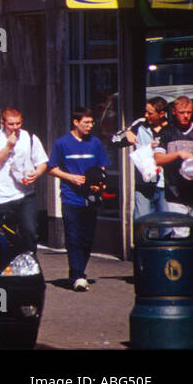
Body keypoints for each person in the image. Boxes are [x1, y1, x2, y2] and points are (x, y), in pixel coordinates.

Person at [48, 108, 110, 290]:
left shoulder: (95, 143)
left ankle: (77, 271)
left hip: (90, 199)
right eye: (86, 122)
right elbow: (51, 168)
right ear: (75, 122)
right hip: (70, 198)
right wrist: (71, 177)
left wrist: (99, 184)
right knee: (73, 237)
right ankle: (78, 275)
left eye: (92, 123)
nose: (90, 126)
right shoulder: (62, 143)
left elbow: (102, 168)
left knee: (87, 238)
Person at [0, 107, 48, 251]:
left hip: (25, 194)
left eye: (18, 124)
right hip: (1, 196)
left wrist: (37, 173)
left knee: (29, 231)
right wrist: (8, 146)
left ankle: (30, 262)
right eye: (11, 124)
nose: (15, 128)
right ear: (3, 122)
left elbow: (43, 162)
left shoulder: (30, 137)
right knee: (3, 236)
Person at [153, 95, 193, 219]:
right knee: (181, 233)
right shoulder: (166, 132)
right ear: (173, 112)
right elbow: (157, 159)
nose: (185, 116)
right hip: (175, 194)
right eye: (182, 112)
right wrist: (178, 154)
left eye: (189, 112)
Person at [124, 97, 170, 219]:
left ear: (161, 114)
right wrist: (127, 132)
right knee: (142, 224)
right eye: (146, 112)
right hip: (145, 183)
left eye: (150, 113)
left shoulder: (171, 129)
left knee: (167, 225)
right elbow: (114, 140)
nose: (146, 115)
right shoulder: (140, 124)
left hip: (165, 185)